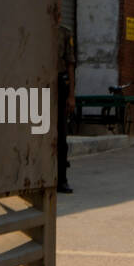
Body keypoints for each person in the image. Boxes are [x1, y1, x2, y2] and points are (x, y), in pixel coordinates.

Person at [56, 23, 75, 194]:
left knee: (61, 136)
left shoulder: (64, 32)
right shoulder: (37, 29)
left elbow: (70, 65)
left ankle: (61, 179)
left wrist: (71, 95)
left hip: (58, 87)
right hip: (38, 87)